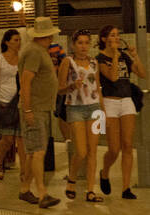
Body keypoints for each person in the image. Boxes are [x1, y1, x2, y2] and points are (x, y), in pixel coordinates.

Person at [96, 24, 146, 200]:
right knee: (114, 148)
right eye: (112, 35)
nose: (116, 38)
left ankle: (126, 188)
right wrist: (115, 56)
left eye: (118, 35)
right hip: (109, 102)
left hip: (126, 101)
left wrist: (134, 56)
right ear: (104, 39)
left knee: (127, 144)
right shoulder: (100, 59)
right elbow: (113, 77)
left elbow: (142, 74)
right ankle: (105, 172)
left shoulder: (124, 56)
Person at [17, 17, 61, 209]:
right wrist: (27, 110)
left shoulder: (38, 50)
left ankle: (25, 189)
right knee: (38, 152)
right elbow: (25, 82)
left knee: (33, 152)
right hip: (34, 108)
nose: (52, 38)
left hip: (40, 107)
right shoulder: (34, 52)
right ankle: (42, 192)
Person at [62, 31, 103, 203]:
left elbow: (98, 87)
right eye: (80, 43)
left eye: (87, 43)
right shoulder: (68, 62)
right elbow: (59, 89)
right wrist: (72, 86)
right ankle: (72, 178)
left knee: (93, 151)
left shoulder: (94, 62)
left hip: (94, 108)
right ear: (73, 44)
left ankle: (91, 190)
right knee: (81, 150)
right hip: (75, 108)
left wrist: (103, 110)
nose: (83, 46)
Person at [0, 29, 24, 184]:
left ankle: (24, 171)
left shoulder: (23, 58)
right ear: (7, 42)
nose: (18, 42)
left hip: (20, 100)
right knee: (8, 138)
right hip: (4, 100)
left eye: (20, 40)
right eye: (15, 40)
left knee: (21, 139)